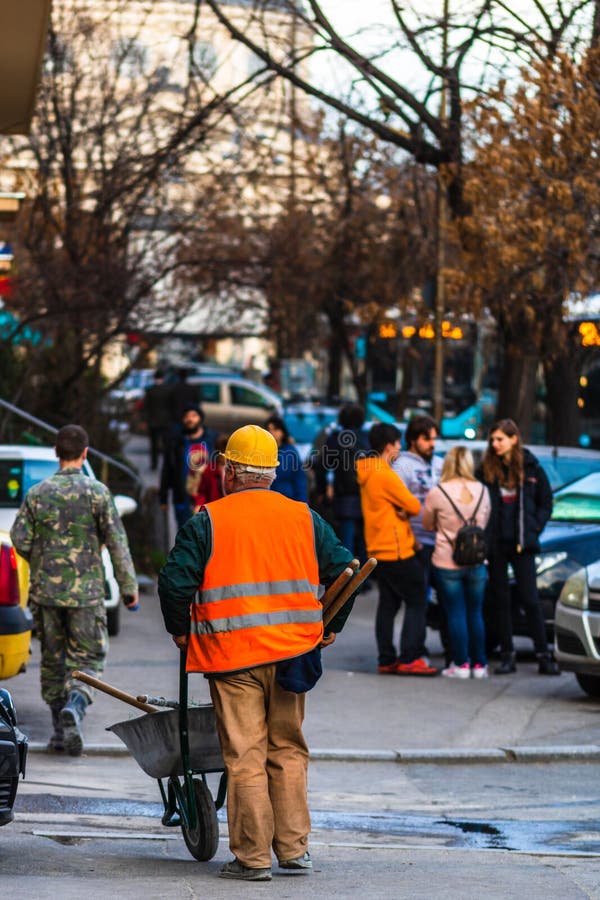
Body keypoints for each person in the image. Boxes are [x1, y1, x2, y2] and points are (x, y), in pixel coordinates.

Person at [158, 424, 357, 881]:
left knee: (245, 754)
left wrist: (179, 632)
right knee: (288, 747)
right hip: (293, 657)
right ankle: (293, 850)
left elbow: (174, 583)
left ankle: (251, 858)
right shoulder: (304, 517)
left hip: (234, 658)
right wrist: (330, 627)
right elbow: (347, 571)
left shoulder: (209, 520)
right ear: (269, 473)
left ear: (229, 471)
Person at [9, 425, 138, 756]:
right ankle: (76, 706)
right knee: (90, 656)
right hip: (86, 594)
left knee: (53, 661)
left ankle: (58, 731)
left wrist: (43, 561)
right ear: (85, 453)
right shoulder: (98, 493)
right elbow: (117, 543)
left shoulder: (38, 493)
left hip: (46, 594)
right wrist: (128, 588)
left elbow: (19, 539)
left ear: (56, 451)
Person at [356, 422, 438, 676]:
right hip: (397, 548)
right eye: (398, 443)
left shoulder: (367, 471)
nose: (400, 448)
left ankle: (386, 657)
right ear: (389, 445)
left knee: (388, 604)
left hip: (378, 547)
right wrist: (404, 509)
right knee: (416, 600)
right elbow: (413, 505)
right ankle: (410, 656)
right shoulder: (383, 473)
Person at [480, 418, 560, 676]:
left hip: (522, 544)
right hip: (496, 544)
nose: (495, 445)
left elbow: (546, 502)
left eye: (500, 439)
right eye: (492, 440)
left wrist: (534, 528)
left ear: (514, 439)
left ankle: (543, 655)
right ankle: (507, 654)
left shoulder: (531, 467)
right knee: (500, 601)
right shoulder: (487, 469)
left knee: (530, 599)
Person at [422, 446, 491, 678]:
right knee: (476, 612)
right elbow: (485, 522)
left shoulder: (438, 492)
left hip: (446, 560)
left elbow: (427, 524)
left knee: (455, 613)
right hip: (477, 561)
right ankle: (480, 665)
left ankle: (460, 664)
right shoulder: (482, 490)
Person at [313, 404, 370, 562]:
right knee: (365, 542)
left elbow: (322, 467)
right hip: (368, 495)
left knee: (347, 544)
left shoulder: (335, 438)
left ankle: (349, 579)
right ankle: (365, 578)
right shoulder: (367, 438)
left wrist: (322, 491)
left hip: (345, 496)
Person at [159, 405, 217, 527]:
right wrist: (163, 498)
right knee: (185, 534)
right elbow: (167, 469)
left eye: (193, 416)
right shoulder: (176, 442)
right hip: (182, 498)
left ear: (200, 418)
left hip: (208, 499)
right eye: (186, 417)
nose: (190, 419)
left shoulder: (212, 440)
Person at [265, 414, 308, 502]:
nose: (272, 433)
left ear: (282, 431)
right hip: (268, 501)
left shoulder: (291, 452)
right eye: (269, 429)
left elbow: (299, 480)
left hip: (287, 500)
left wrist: (302, 503)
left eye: (275, 429)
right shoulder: (262, 451)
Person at [142, 369, 172, 471]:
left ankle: (154, 464)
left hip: (153, 421)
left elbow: (145, 407)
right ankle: (166, 464)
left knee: (153, 445)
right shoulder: (168, 390)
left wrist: (146, 420)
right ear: (163, 378)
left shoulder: (150, 390)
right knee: (166, 444)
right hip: (165, 421)